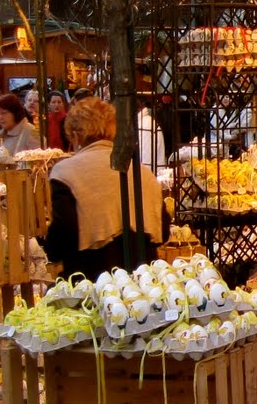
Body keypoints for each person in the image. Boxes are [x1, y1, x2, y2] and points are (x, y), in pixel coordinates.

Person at [39, 97, 164, 278]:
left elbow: (64, 232)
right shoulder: (142, 172)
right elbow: (163, 229)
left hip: (92, 276)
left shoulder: (65, 171)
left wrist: (49, 250)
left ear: (75, 135)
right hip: (143, 281)